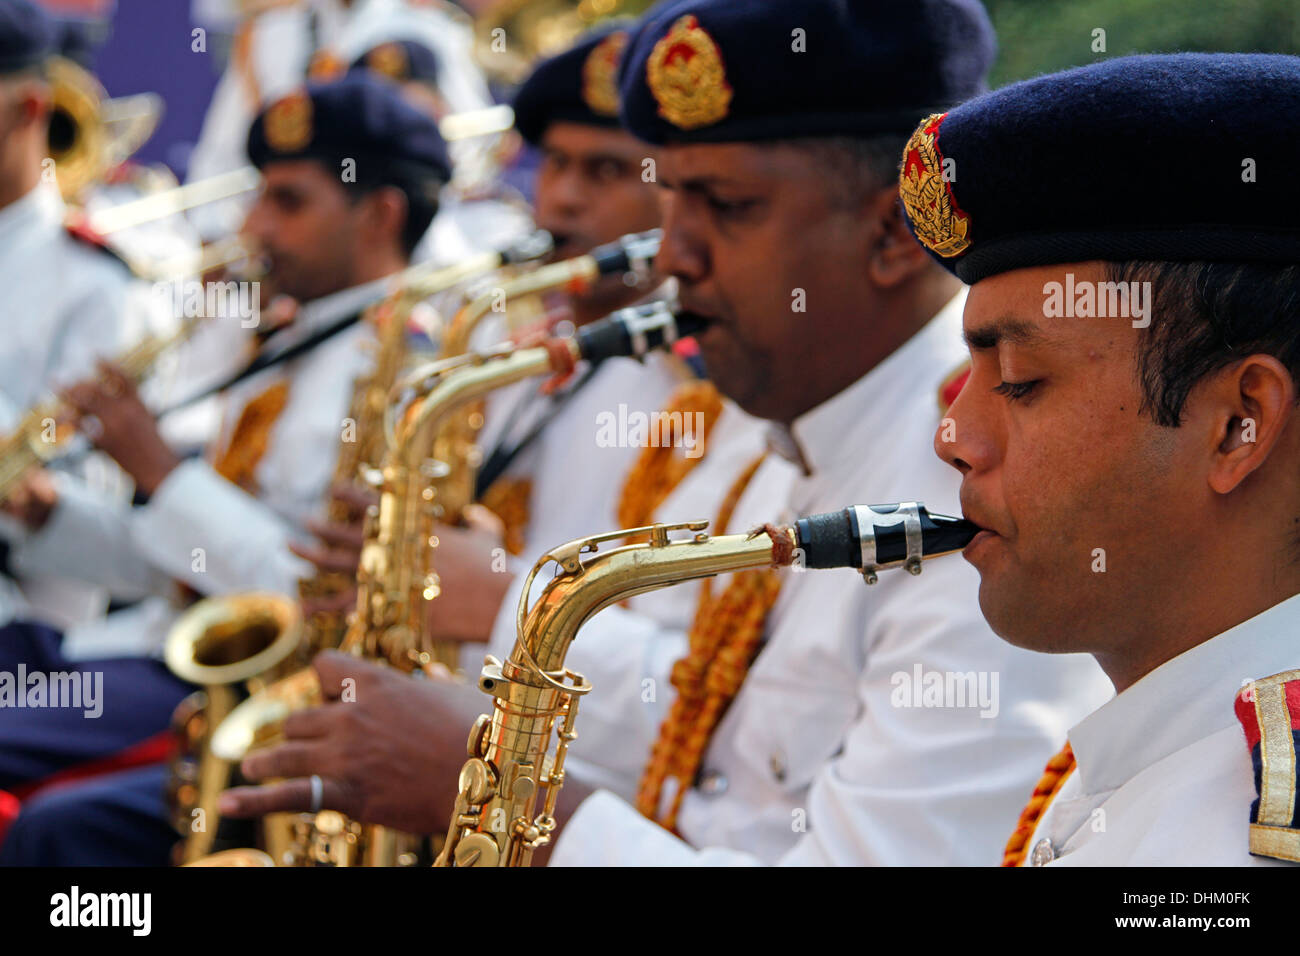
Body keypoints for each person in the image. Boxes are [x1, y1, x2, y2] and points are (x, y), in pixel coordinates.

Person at [221, 0, 1111, 867]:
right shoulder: (791, 418)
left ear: (891, 232)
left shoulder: (981, 485)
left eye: (724, 206)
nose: (673, 254)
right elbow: (710, 743)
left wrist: (503, 787)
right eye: (672, 198)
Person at [0, 74, 452, 865]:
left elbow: (311, 598)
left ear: (380, 212)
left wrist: (159, 471)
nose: (254, 226)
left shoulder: (405, 375)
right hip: (151, 648)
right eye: (259, 197)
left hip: (249, 691)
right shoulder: (283, 346)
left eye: (288, 202)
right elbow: (182, 570)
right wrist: (45, 512)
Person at [904, 52, 1300, 867]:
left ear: (1239, 425)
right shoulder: (1178, 760)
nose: (953, 439)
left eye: (1017, 381)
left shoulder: (1241, 842)